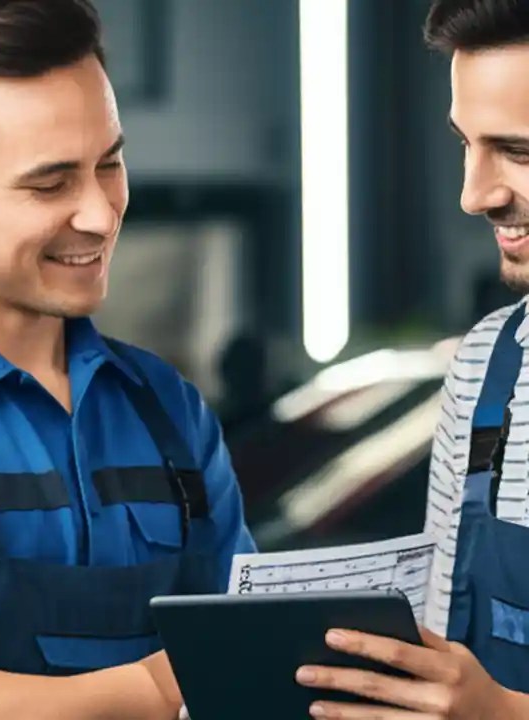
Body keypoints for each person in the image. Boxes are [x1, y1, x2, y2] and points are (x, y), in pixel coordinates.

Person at [0, 1, 256, 717]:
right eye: (50, 183)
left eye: (110, 164)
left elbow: (258, 658)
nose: (99, 212)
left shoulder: (166, 408)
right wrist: (161, 685)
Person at [293, 1, 529, 717]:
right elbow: (436, 659)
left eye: (519, 152)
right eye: (466, 144)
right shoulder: (487, 367)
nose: (475, 194)